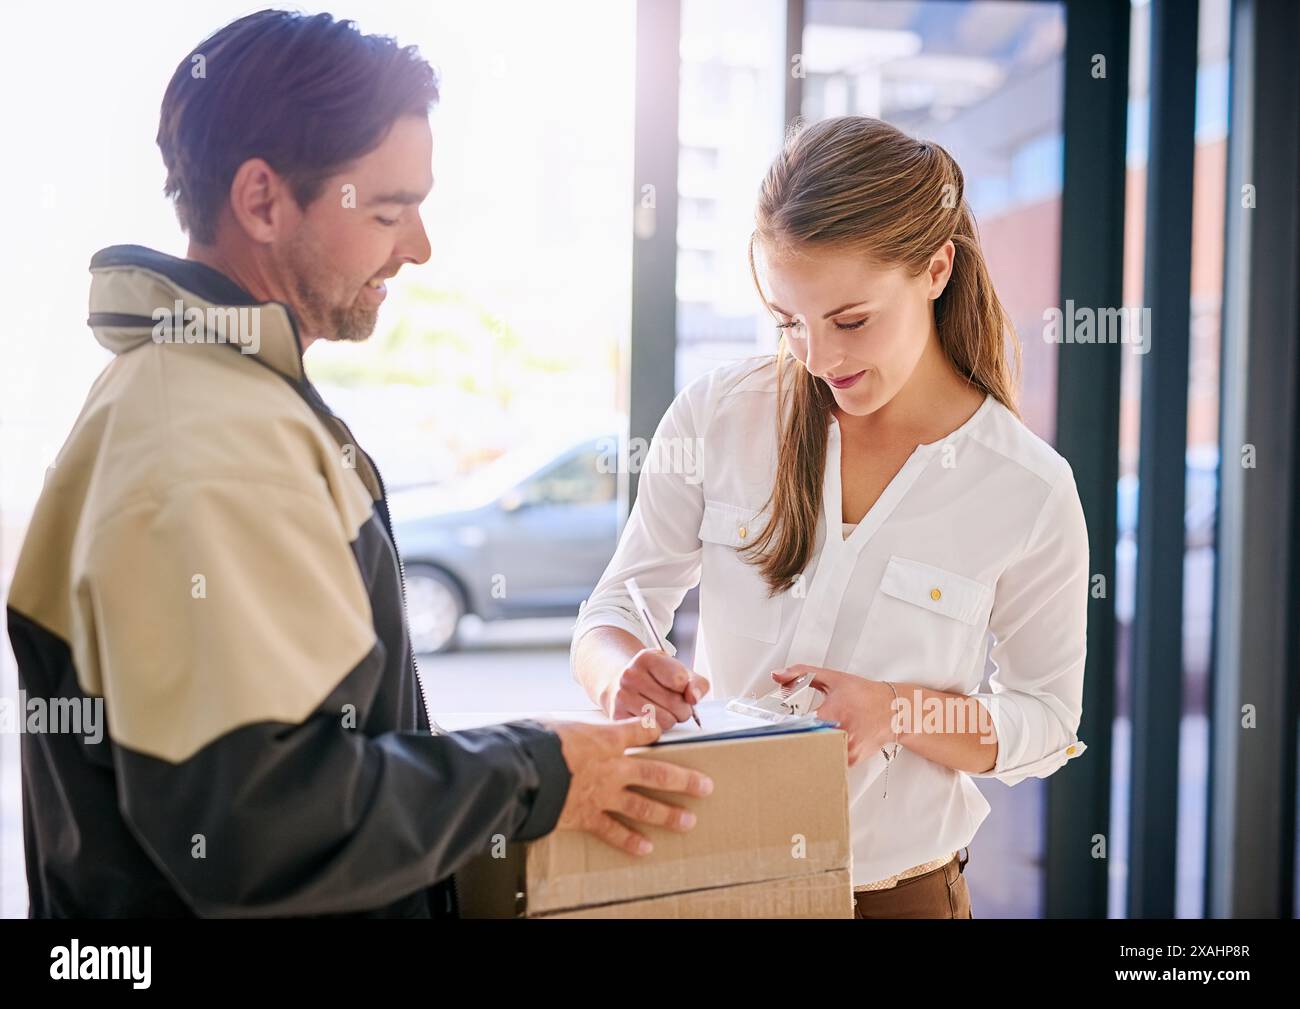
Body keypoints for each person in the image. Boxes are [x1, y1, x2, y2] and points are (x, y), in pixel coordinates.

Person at [6, 9, 711, 919]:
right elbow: (254, 822)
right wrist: (534, 773)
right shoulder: (209, 438)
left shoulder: (198, 394)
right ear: (262, 200)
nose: (417, 247)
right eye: (388, 210)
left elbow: (313, 755)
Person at [572, 115, 1091, 919]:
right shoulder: (720, 415)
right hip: (706, 882)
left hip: (900, 897)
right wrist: (618, 672)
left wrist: (898, 710)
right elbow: (614, 611)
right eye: (789, 321)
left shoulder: (1027, 487)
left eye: (851, 320)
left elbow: (1048, 721)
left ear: (937, 268)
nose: (818, 357)